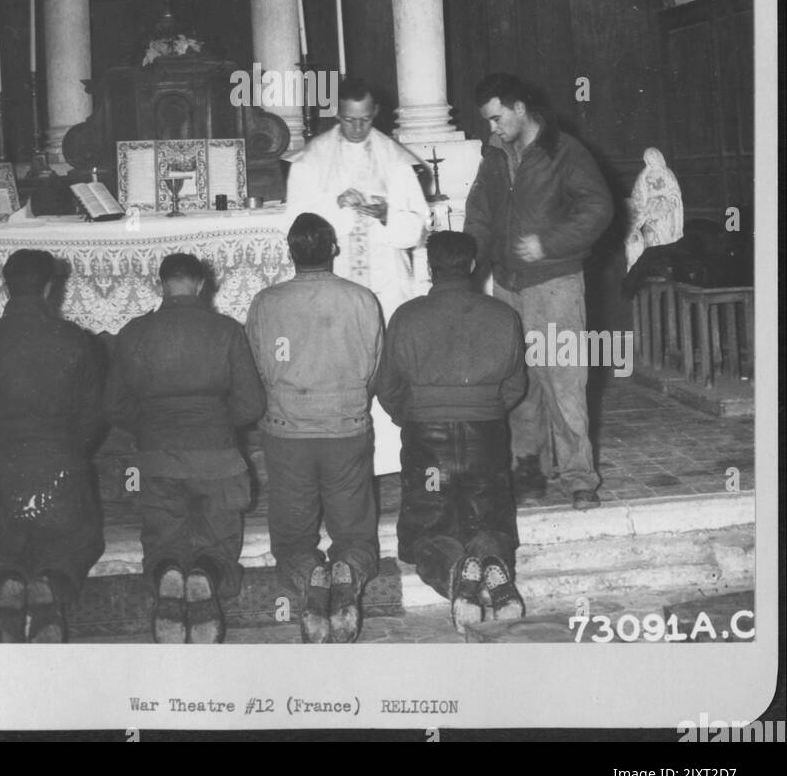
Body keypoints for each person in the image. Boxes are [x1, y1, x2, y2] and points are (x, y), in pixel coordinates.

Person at [464, 73, 613, 509]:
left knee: (564, 382)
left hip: (555, 284)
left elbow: (599, 207)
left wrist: (549, 243)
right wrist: (469, 261)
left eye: (496, 118)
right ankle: (528, 471)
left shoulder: (564, 151)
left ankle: (579, 478)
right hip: (508, 286)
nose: (492, 127)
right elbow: (480, 215)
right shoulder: (492, 156)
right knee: (520, 383)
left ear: (519, 110)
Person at [106, 253, 265, 644]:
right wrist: (215, 425)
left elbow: (112, 406)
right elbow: (251, 405)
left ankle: (168, 573)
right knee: (219, 540)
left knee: (162, 537)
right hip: (219, 461)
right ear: (200, 285)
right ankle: (206, 573)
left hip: (156, 460)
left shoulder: (133, 332)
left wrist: (151, 429)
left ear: (160, 284)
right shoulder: (226, 330)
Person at [0, 249, 107, 643]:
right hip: (61, 470)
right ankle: (50, 585)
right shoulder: (75, 340)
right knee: (73, 543)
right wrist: (72, 456)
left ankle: (6, 582)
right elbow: (93, 417)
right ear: (51, 287)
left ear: (6, 284)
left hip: (0, 471)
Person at [376, 232, 527, 632]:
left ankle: (457, 571)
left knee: (427, 527)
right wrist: (485, 411)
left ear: (430, 267)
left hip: (428, 447)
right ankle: (493, 565)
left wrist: (416, 418)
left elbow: (387, 386)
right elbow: (515, 385)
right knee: (489, 517)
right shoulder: (502, 315)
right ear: (473, 266)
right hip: (486, 439)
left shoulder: (407, 316)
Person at [245, 214, 384, 643]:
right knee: (355, 532)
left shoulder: (266, 302)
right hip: (345, 429)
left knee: (291, 538)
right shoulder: (362, 299)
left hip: (288, 432)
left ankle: (311, 577)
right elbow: (373, 367)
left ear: (291, 252)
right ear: (333, 249)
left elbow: (260, 369)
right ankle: (348, 570)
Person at [285, 76, 429, 473]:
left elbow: (418, 227)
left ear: (374, 114)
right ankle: (341, 459)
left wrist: (384, 214)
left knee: (385, 362)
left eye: (364, 120)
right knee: (338, 364)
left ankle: (388, 459)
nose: (357, 128)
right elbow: (296, 227)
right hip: (333, 283)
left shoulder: (395, 158)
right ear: (337, 113)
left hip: (386, 280)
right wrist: (338, 208)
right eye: (349, 120)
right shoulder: (312, 159)